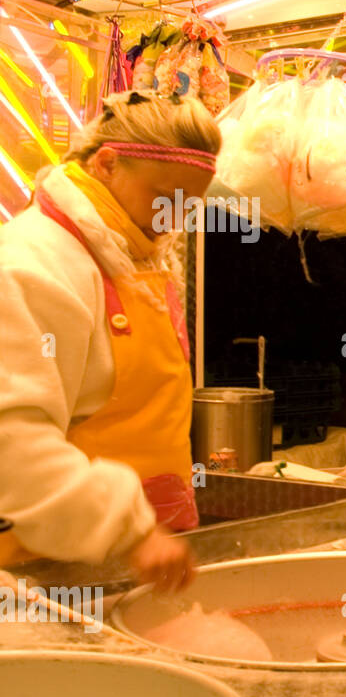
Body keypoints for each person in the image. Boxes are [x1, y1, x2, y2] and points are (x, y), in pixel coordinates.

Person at [0, 90, 221, 590]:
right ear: (106, 164)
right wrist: (130, 530)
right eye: (167, 198)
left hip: (124, 568)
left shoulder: (128, 256)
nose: (175, 220)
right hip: (37, 578)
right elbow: (12, 441)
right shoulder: (31, 266)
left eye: (191, 204)